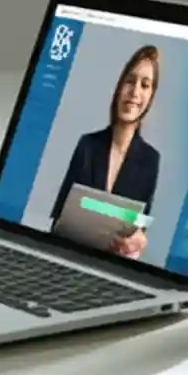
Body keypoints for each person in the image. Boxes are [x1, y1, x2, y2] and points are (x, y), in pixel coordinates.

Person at [49, 45, 162, 260]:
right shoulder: (88, 146)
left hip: (113, 263)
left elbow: (141, 223)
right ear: (119, 87)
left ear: (151, 96)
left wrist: (140, 238)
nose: (135, 92)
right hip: (69, 256)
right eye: (130, 81)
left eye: (145, 85)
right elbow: (59, 218)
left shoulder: (150, 160)